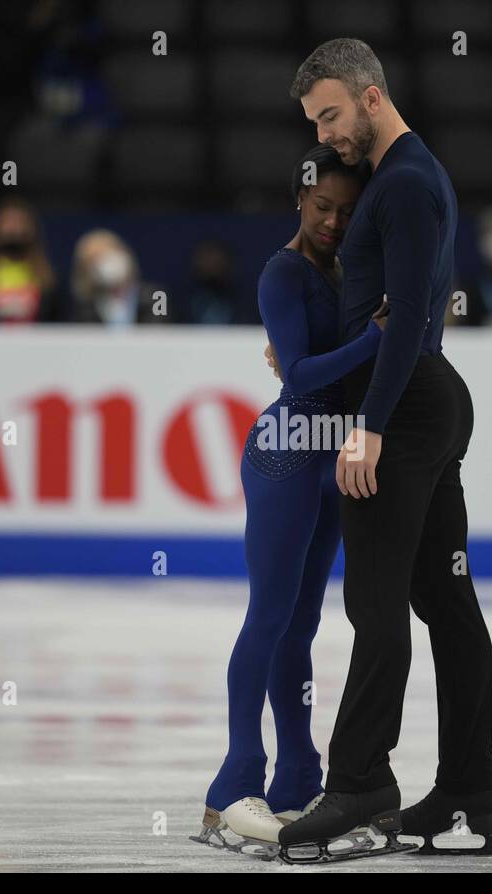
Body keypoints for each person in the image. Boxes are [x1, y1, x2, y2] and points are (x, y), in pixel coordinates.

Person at [275, 38, 492, 860]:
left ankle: (361, 781)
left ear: (371, 98)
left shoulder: (403, 183)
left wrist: (368, 422)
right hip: (429, 402)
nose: (326, 135)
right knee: (447, 601)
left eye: (331, 115)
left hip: (405, 412)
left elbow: (407, 313)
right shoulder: (410, 174)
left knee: (375, 605)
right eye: (315, 121)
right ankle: (469, 782)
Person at [192, 144, 388, 857]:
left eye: (345, 210)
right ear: (298, 200)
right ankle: (235, 774)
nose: (333, 220)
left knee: (300, 625)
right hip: (283, 452)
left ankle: (297, 769)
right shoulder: (283, 271)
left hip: (328, 453)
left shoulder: (342, 270)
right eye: (322, 207)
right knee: (269, 615)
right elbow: (301, 371)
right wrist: (371, 339)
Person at [67, 229, 157, 325]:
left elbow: (162, 328)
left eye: (107, 256)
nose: (104, 265)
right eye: (94, 261)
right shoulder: (84, 308)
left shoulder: (157, 295)